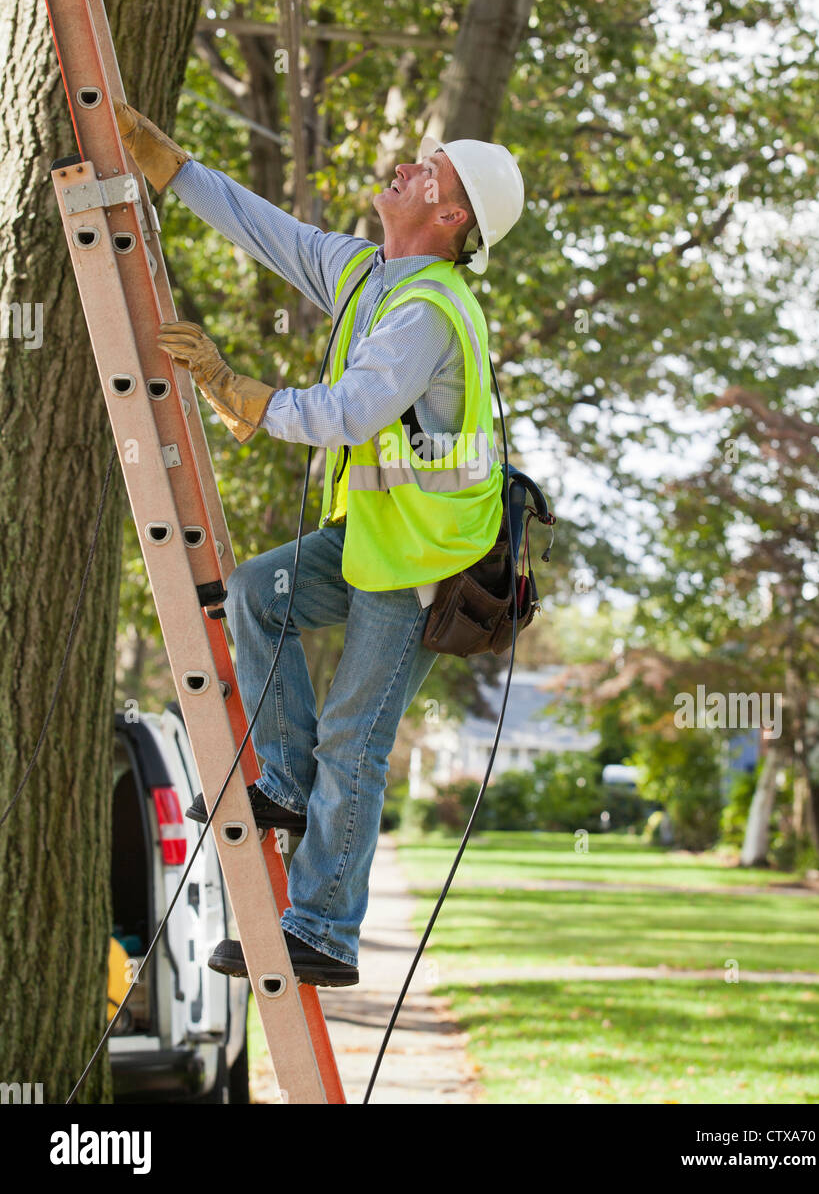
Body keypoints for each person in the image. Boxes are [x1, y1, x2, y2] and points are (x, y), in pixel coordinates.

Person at [114, 99, 524, 986]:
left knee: (356, 738)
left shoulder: (428, 312)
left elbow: (349, 412)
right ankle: (286, 786)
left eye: (431, 171)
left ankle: (325, 932)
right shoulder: (372, 276)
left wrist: (240, 392)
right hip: (380, 537)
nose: (411, 167)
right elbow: (271, 231)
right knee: (259, 593)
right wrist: (172, 169)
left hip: (427, 564)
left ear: (450, 218)